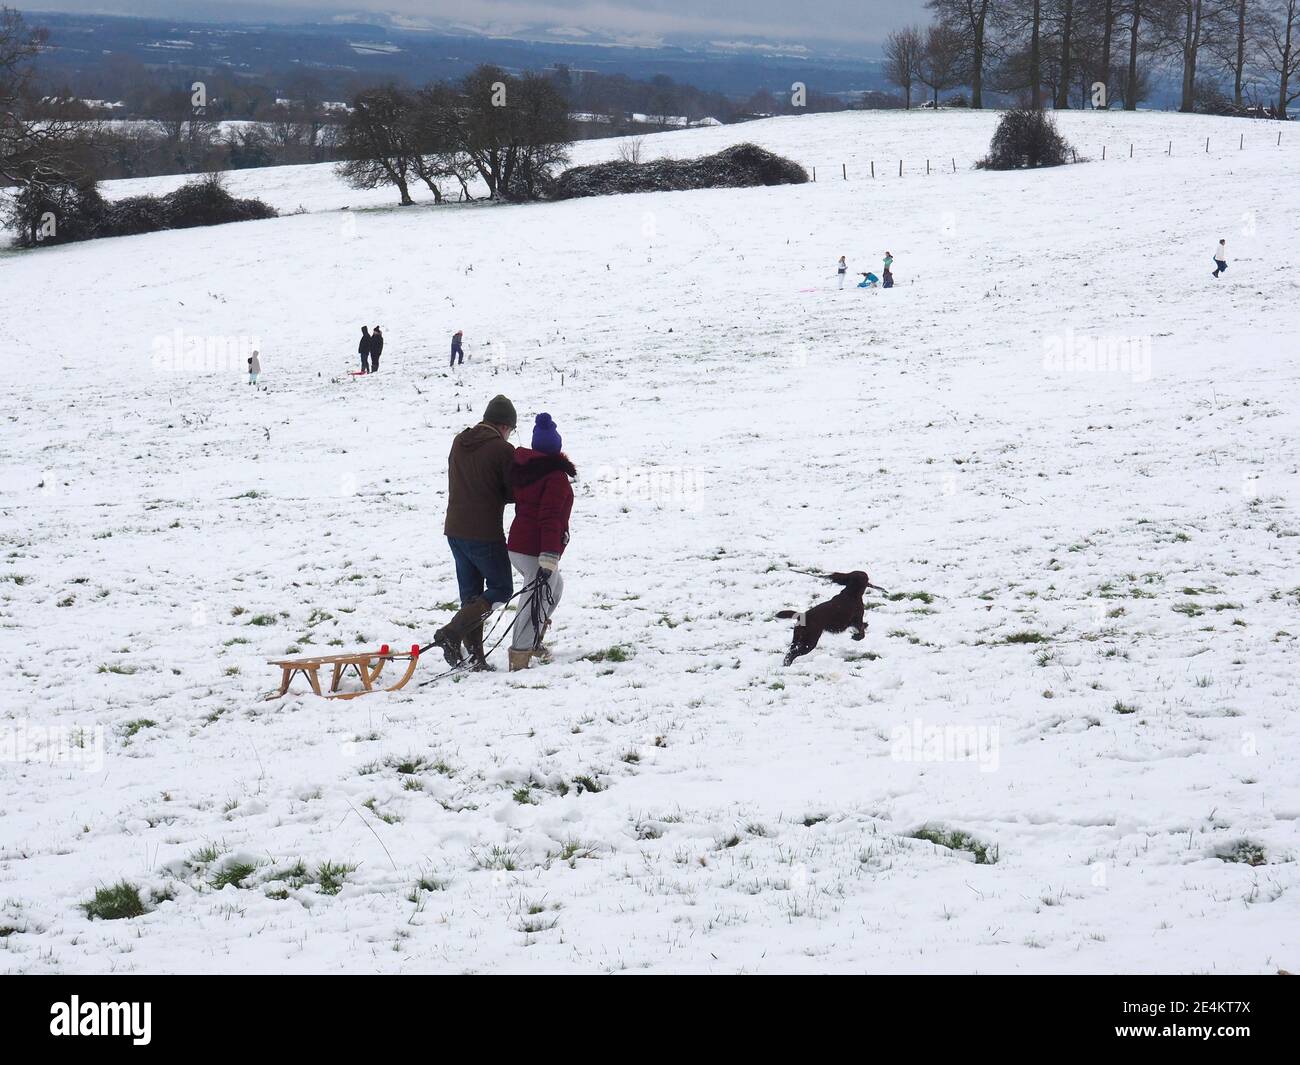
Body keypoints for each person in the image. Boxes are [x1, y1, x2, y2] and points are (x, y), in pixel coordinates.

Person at [432, 395, 517, 671]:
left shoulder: (459, 441)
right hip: (484, 532)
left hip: (454, 529)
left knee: (472, 596)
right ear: (505, 426)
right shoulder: (502, 450)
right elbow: (511, 491)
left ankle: (475, 657)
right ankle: (452, 632)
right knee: (502, 588)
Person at [506, 413, 575, 671]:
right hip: (534, 549)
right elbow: (549, 518)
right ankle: (521, 652)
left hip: (520, 545)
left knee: (554, 587)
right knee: (534, 597)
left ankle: (531, 640)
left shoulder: (529, 470)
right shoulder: (554, 477)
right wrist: (549, 553)